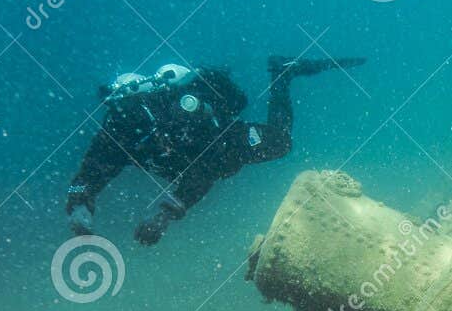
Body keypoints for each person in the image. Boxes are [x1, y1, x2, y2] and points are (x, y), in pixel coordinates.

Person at [65, 54, 363, 245]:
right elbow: (92, 168)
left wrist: (164, 216)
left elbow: (203, 171)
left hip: (226, 144)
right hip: (196, 161)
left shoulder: (176, 115)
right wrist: (80, 204)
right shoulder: (119, 129)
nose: (127, 127)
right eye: (120, 117)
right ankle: (282, 72)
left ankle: (282, 73)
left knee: (281, 142)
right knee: (272, 146)